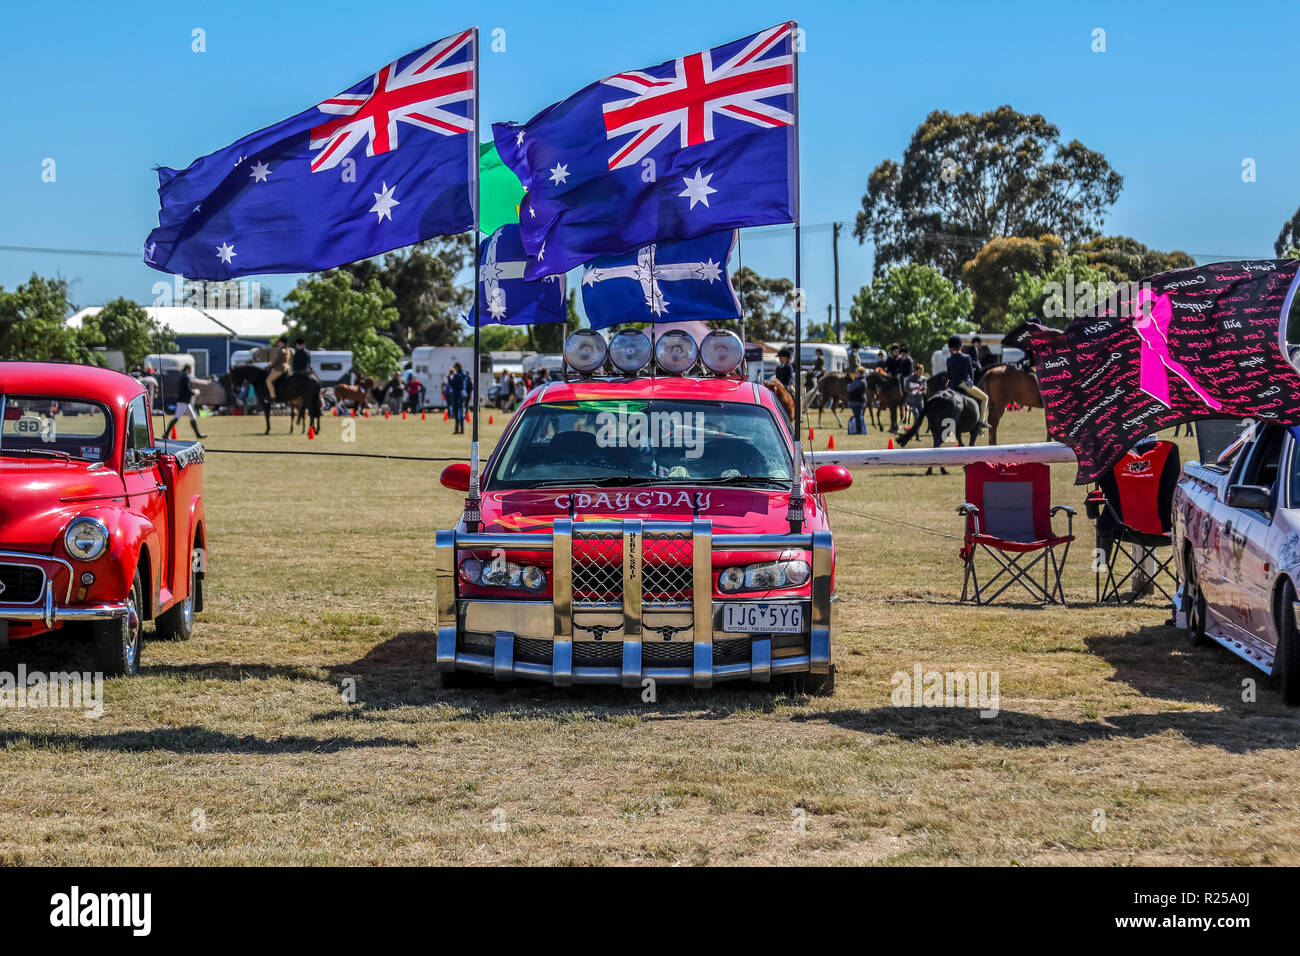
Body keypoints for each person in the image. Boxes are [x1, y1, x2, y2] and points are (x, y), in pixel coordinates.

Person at [946, 335, 989, 429]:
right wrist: (971, 383)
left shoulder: (949, 360)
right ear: (961, 347)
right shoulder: (967, 357)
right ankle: (982, 421)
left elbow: (949, 376)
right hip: (965, 385)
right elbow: (971, 372)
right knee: (985, 397)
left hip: (953, 386)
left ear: (951, 348)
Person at [163, 364, 207, 440]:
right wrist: (195, 392)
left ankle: (198, 434)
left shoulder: (183, 376)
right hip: (183, 401)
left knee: (192, 417)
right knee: (176, 417)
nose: (191, 371)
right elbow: (187, 390)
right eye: (190, 369)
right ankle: (166, 434)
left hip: (186, 402)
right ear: (187, 369)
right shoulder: (185, 377)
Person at [846, 367, 868, 435]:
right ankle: (859, 429)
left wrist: (851, 389)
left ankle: (859, 430)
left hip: (858, 402)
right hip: (855, 401)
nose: (855, 374)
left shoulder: (861, 381)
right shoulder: (857, 381)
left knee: (858, 417)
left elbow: (858, 390)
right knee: (857, 416)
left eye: (856, 373)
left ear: (860, 373)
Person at [448, 362, 469, 435]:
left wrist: (451, 377)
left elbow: (452, 384)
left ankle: (457, 429)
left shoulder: (457, 375)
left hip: (457, 394)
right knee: (461, 410)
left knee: (457, 411)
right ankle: (462, 429)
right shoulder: (464, 374)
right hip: (463, 393)